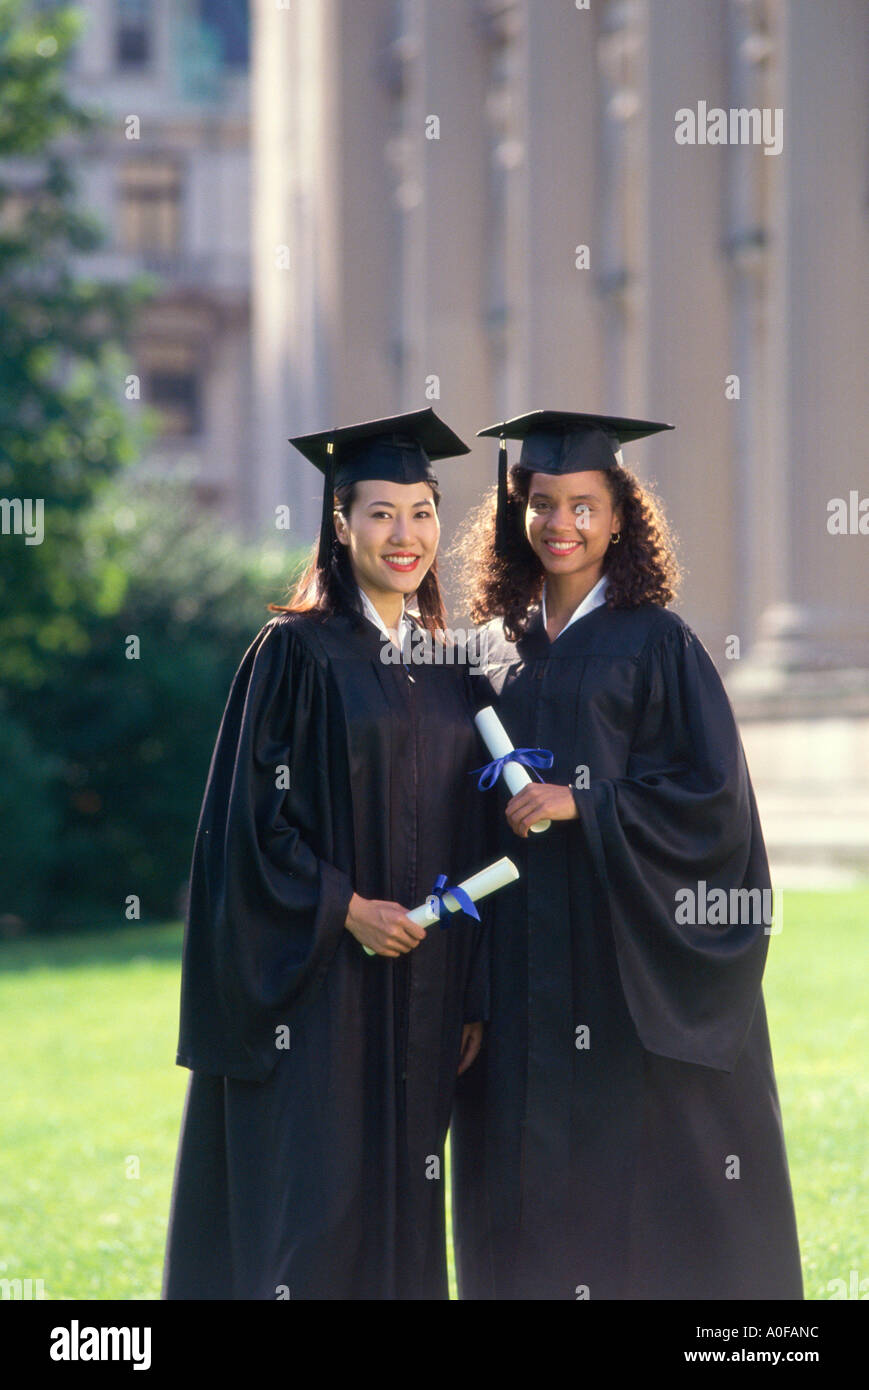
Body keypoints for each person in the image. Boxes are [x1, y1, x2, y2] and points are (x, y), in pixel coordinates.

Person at [449, 410, 803, 1300]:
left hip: (626, 964)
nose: (559, 523)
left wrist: (586, 803)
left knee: (644, 1194)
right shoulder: (491, 651)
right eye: (540, 503)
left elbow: (714, 807)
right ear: (516, 514)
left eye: (582, 505)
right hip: (520, 970)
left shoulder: (658, 644)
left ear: (619, 517)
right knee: (524, 1185)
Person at [162, 408, 488, 1300]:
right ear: (338, 524)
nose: (404, 535)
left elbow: (473, 831)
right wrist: (347, 908)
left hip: (422, 990)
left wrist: (470, 991)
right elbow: (247, 828)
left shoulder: (449, 665)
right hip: (317, 990)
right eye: (380, 513)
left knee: (402, 1212)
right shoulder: (293, 652)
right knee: (315, 1208)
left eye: (420, 512)